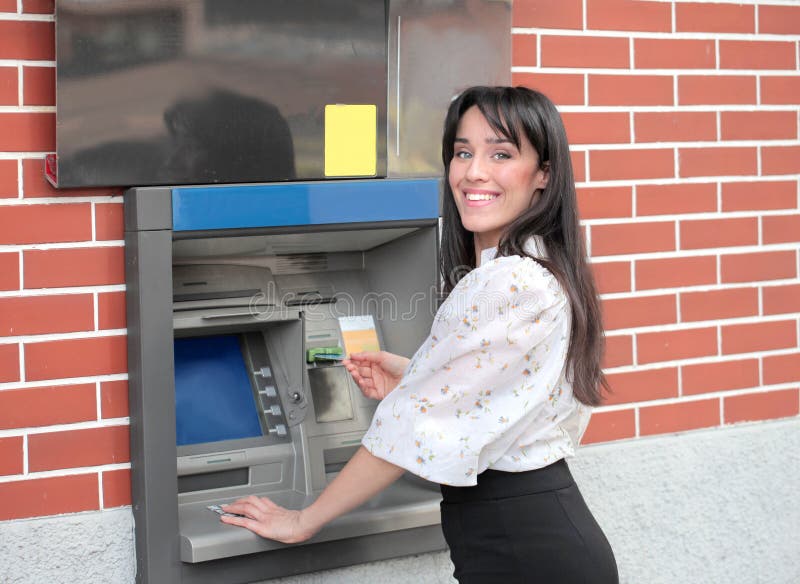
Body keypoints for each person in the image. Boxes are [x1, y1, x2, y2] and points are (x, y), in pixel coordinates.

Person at [220, 86, 619, 583]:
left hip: (524, 550)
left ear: (544, 174)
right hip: (540, 539)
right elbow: (511, 393)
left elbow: (408, 428)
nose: (474, 172)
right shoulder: (541, 265)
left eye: (501, 154)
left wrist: (303, 519)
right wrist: (415, 378)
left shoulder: (506, 280)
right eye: (462, 152)